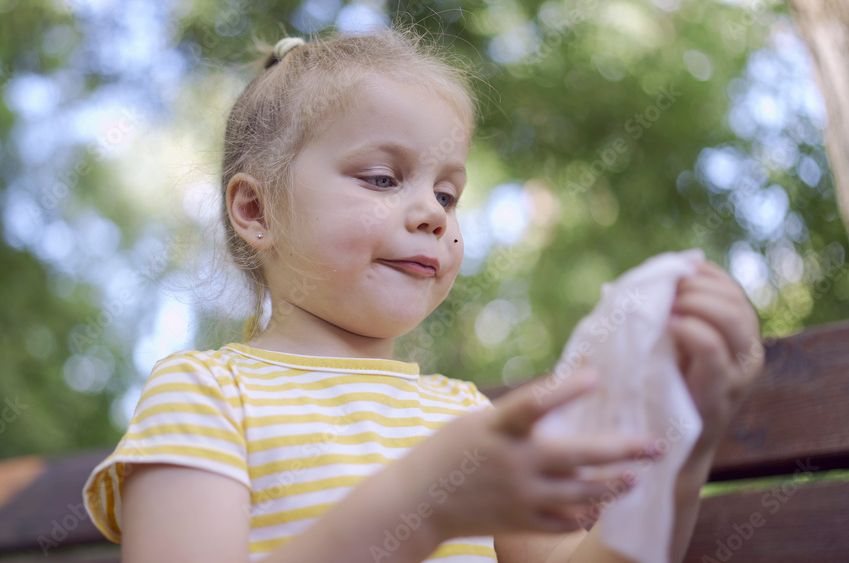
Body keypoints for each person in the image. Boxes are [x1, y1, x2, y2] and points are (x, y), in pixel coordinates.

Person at [82, 26, 764, 563]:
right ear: (256, 212)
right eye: (382, 178)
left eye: (447, 192)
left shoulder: (461, 412)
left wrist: (684, 438)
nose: (435, 214)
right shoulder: (206, 393)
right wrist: (426, 504)